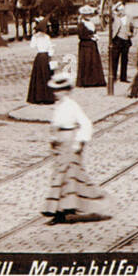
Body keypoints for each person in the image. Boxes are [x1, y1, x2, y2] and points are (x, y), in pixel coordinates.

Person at [43, 71, 110, 224]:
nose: (56, 93)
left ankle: (68, 209)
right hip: (60, 144)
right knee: (62, 176)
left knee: (68, 176)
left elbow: (86, 123)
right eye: (55, 90)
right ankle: (65, 208)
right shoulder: (58, 106)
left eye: (59, 90)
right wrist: (53, 138)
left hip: (70, 142)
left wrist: (79, 142)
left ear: (66, 90)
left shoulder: (72, 105)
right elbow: (56, 124)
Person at [75, 6, 106, 88]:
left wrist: (95, 36)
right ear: (83, 15)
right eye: (86, 15)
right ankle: (86, 81)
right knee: (87, 62)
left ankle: (95, 80)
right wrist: (91, 37)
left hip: (92, 45)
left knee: (94, 62)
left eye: (89, 14)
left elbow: (93, 32)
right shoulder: (81, 24)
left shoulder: (91, 23)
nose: (88, 16)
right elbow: (81, 35)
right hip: (85, 46)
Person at [27, 21, 55, 105]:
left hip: (39, 57)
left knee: (38, 77)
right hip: (45, 57)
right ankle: (47, 96)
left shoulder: (36, 37)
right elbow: (51, 49)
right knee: (46, 76)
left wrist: (34, 36)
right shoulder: (46, 37)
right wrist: (50, 56)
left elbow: (32, 46)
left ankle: (38, 96)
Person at [108, 3, 133, 84]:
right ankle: (113, 77)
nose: (121, 12)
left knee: (125, 59)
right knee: (115, 58)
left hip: (126, 40)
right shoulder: (115, 17)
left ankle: (123, 77)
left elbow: (133, 27)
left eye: (122, 10)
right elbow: (110, 11)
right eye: (119, 10)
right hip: (117, 39)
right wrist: (117, 4)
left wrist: (131, 34)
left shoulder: (129, 17)